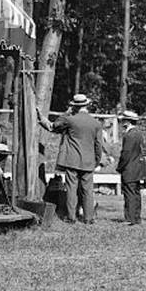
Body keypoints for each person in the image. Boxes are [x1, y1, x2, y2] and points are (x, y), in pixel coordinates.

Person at [37, 92, 104, 225]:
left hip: (72, 160)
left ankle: (71, 217)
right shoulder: (96, 123)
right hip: (89, 161)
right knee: (87, 190)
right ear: (87, 105)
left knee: (71, 189)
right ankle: (88, 218)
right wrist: (96, 160)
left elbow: (53, 126)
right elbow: (98, 145)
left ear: (74, 106)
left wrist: (66, 113)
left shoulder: (70, 119)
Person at [115, 110, 146, 226]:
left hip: (129, 169)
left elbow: (126, 153)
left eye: (124, 120)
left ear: (127, 122)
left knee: (129, 194)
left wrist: (120, 167)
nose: (122, 123)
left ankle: (129, 218)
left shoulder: (129, 135)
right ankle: (136, 217)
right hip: (137, 168)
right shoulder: (139, 134)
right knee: (136, 194)